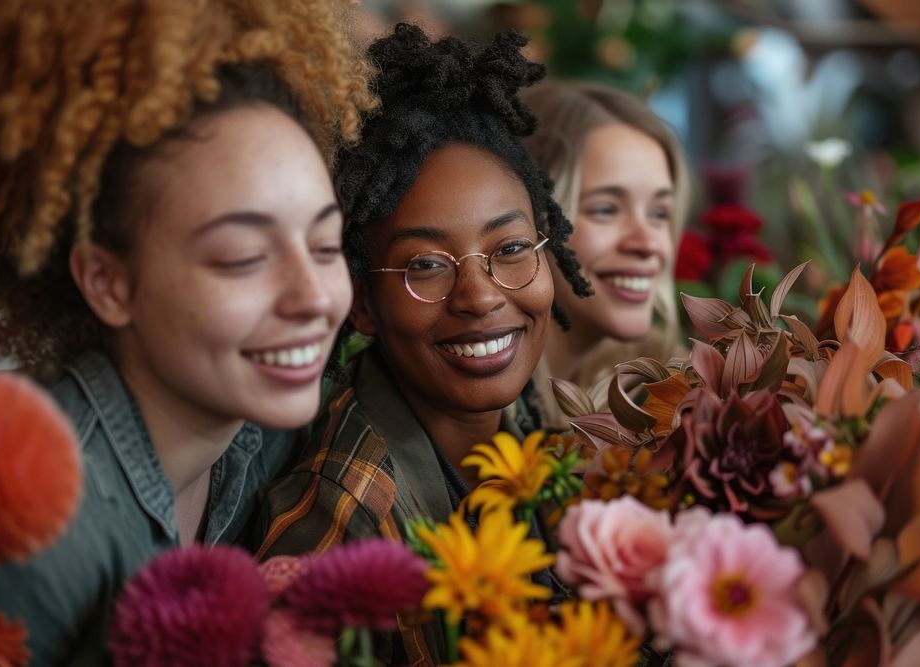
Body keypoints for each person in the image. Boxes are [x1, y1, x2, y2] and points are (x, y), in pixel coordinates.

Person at [0, 0, 373, 663]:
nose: (313, 297)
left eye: (326, 244)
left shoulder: (279, 433)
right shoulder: (33, 530)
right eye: (242, 259)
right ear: (107, 282)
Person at [252, 23, 591, 664]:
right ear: (363, 304)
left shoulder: (535, 431)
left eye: (512, 249)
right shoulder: (340, 533)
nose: (480, 296)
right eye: (425, 266)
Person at [521, 81, 691, 429]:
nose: (648, 243)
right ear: (523, 222)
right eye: (605, 210)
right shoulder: (474, 407)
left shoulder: (676, 390)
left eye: (659, 214)